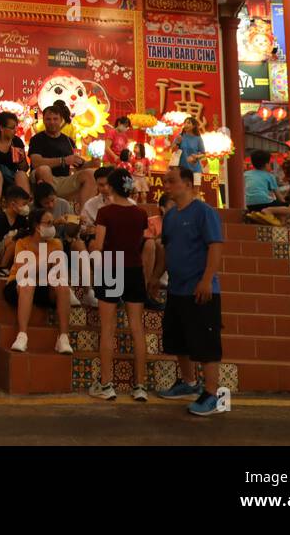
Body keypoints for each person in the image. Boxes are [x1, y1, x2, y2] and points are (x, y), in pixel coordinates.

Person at [154, 166, 226, 416]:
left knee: (205, 344)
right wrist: (155, 277)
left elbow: (215, 245)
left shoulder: (204, 212)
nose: (166, 185)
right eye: (165, 181)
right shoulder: (171, 216)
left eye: (171, 181)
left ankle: (212, 394)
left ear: (187, 183)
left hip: (200, 289)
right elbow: (166, 250)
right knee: (178, 340)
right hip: (176, 290)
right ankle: (188, 382)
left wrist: (207, 280)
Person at [89, 168, 150, 401]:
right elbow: (140, 243)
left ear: (112, 187)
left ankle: (106, 385)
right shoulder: (140, 213)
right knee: (137, 328)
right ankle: (140, 386)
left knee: (108, 328)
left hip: (110, 269)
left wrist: (93, 243)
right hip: (134, 270)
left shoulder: (105, 212)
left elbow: (99, 244)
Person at [6, 208, 73, 355]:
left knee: (63, 286)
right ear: (37, 226)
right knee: (28, 283)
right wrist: (46, 259)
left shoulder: (56, 243)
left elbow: (59, 274)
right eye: (48, 223)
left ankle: (63, 338)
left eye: (52, 223)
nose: (52, 227)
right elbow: (24, 272)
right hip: (19, 284)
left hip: (43, 285)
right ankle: (22, 336)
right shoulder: (22, 243)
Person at [28, 101, 97, 208]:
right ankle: (52, 208)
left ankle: (84, 215)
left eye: (55, 119)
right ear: (43, 120)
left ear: (61, 120)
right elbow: (36, 163)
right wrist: (63, 160)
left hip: (64, 180)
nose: (52, 122)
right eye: (48, 119)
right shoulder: (37, 139)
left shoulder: (68, 140)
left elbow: (78, 165)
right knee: (44, 169)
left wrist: (93, 162)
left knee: (91, 174)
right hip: (42, 178)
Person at [244, 149, 290, 226]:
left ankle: (267, 218)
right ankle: (269, 211)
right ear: (267, 164)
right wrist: (286, 205)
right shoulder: (269, 176)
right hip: (264, 203)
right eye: (270, 163)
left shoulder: (246, 174)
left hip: (250, 205)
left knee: (280, 213)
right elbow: (280, 198)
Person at [171, 116, 206, 187]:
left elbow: (203, 153)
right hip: (182, 169)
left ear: (193, 126)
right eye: (185, 123)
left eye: (188, 123)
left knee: (195, 190)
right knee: (183, 189)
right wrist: (177, 142)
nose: (186, 125)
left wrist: (196, 156)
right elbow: (173, 150)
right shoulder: (180, 136)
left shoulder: (198, 139)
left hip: (196, 169)